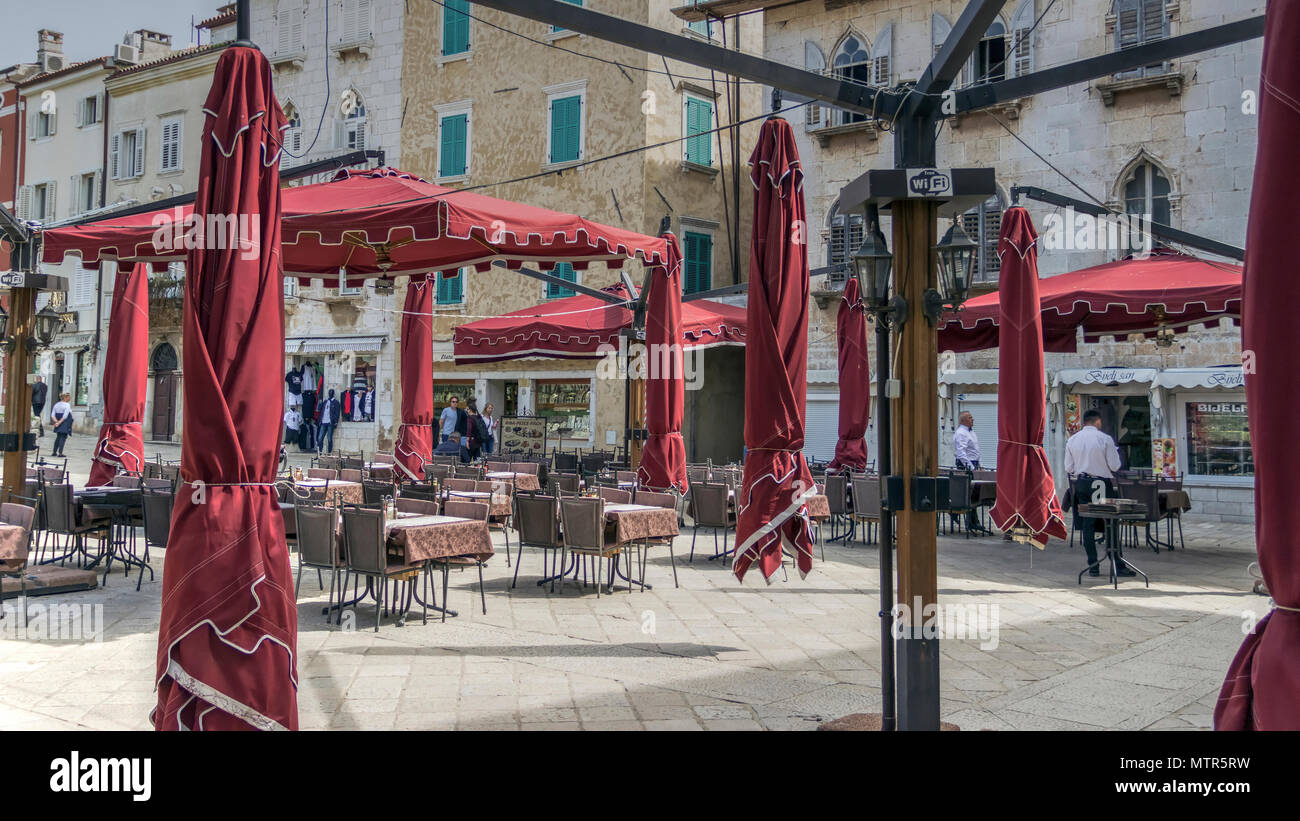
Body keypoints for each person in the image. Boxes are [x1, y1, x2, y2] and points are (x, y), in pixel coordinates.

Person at [1066, 408, 1129, 577]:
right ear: (1098, 422)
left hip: (1082, 483)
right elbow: (1115, 466)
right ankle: (1117, 563)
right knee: (1111, 523)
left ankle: (1093, 564)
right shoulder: (1104, 439)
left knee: (1088, 525)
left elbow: (1069, 467)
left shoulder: (1073, 440)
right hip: (1100, 483)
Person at [952, 411, 986, 534]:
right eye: (970, 418)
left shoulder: (972, 433)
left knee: (974, 493)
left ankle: (973, 520)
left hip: (973, 463)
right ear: (963, 420)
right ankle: (968, 519)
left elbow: (975, 451)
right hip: (966, 465)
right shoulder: (961, 433)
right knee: (968, 493)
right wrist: (971, 467)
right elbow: (961, 453)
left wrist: (979, 465)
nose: (973, 420)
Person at [315, 389, 342, 454]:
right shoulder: (325, 401)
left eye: (331, 393)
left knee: (329, 438)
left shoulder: (336, 402)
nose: (330, 394)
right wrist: (320, 420)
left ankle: (329, 452)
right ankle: (320, 452)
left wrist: (335, 422)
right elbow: (321, 411)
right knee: (320, 438)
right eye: (329, 393)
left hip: (330, 422)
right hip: (323, 422)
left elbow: (337, 413)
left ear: (333, 394)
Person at [50, 393, 73, 457]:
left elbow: (52, 415)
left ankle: (54, 452)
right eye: (69, 397)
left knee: (58, 437)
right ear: (65, 397)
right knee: (63, 437)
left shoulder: (56, 404)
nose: (70, 399)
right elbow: (65, 416)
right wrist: (59, 422)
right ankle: (60, 452)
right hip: (64, 422)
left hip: (58, 421)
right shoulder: (67, 405)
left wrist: (56, 422)